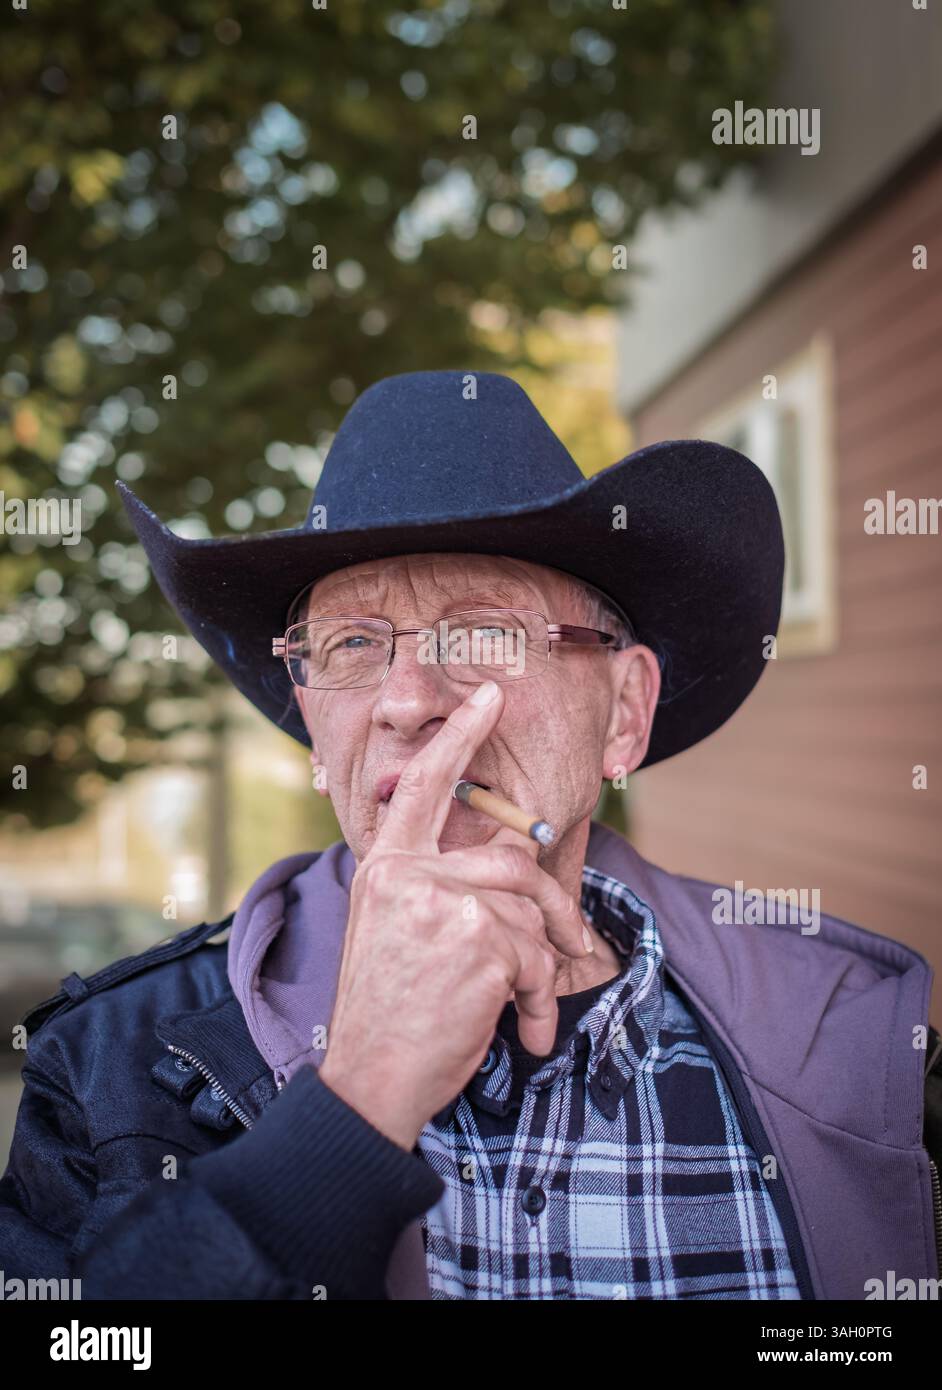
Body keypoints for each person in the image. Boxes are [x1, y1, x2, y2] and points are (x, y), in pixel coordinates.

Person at [2, 370, 939, 1301]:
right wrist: (356, 1104)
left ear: (623, 712)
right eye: (353, 646)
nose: (407, 702)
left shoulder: (867, 1054)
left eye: (486, 632)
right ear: (315, 727)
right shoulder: (107, 1070)